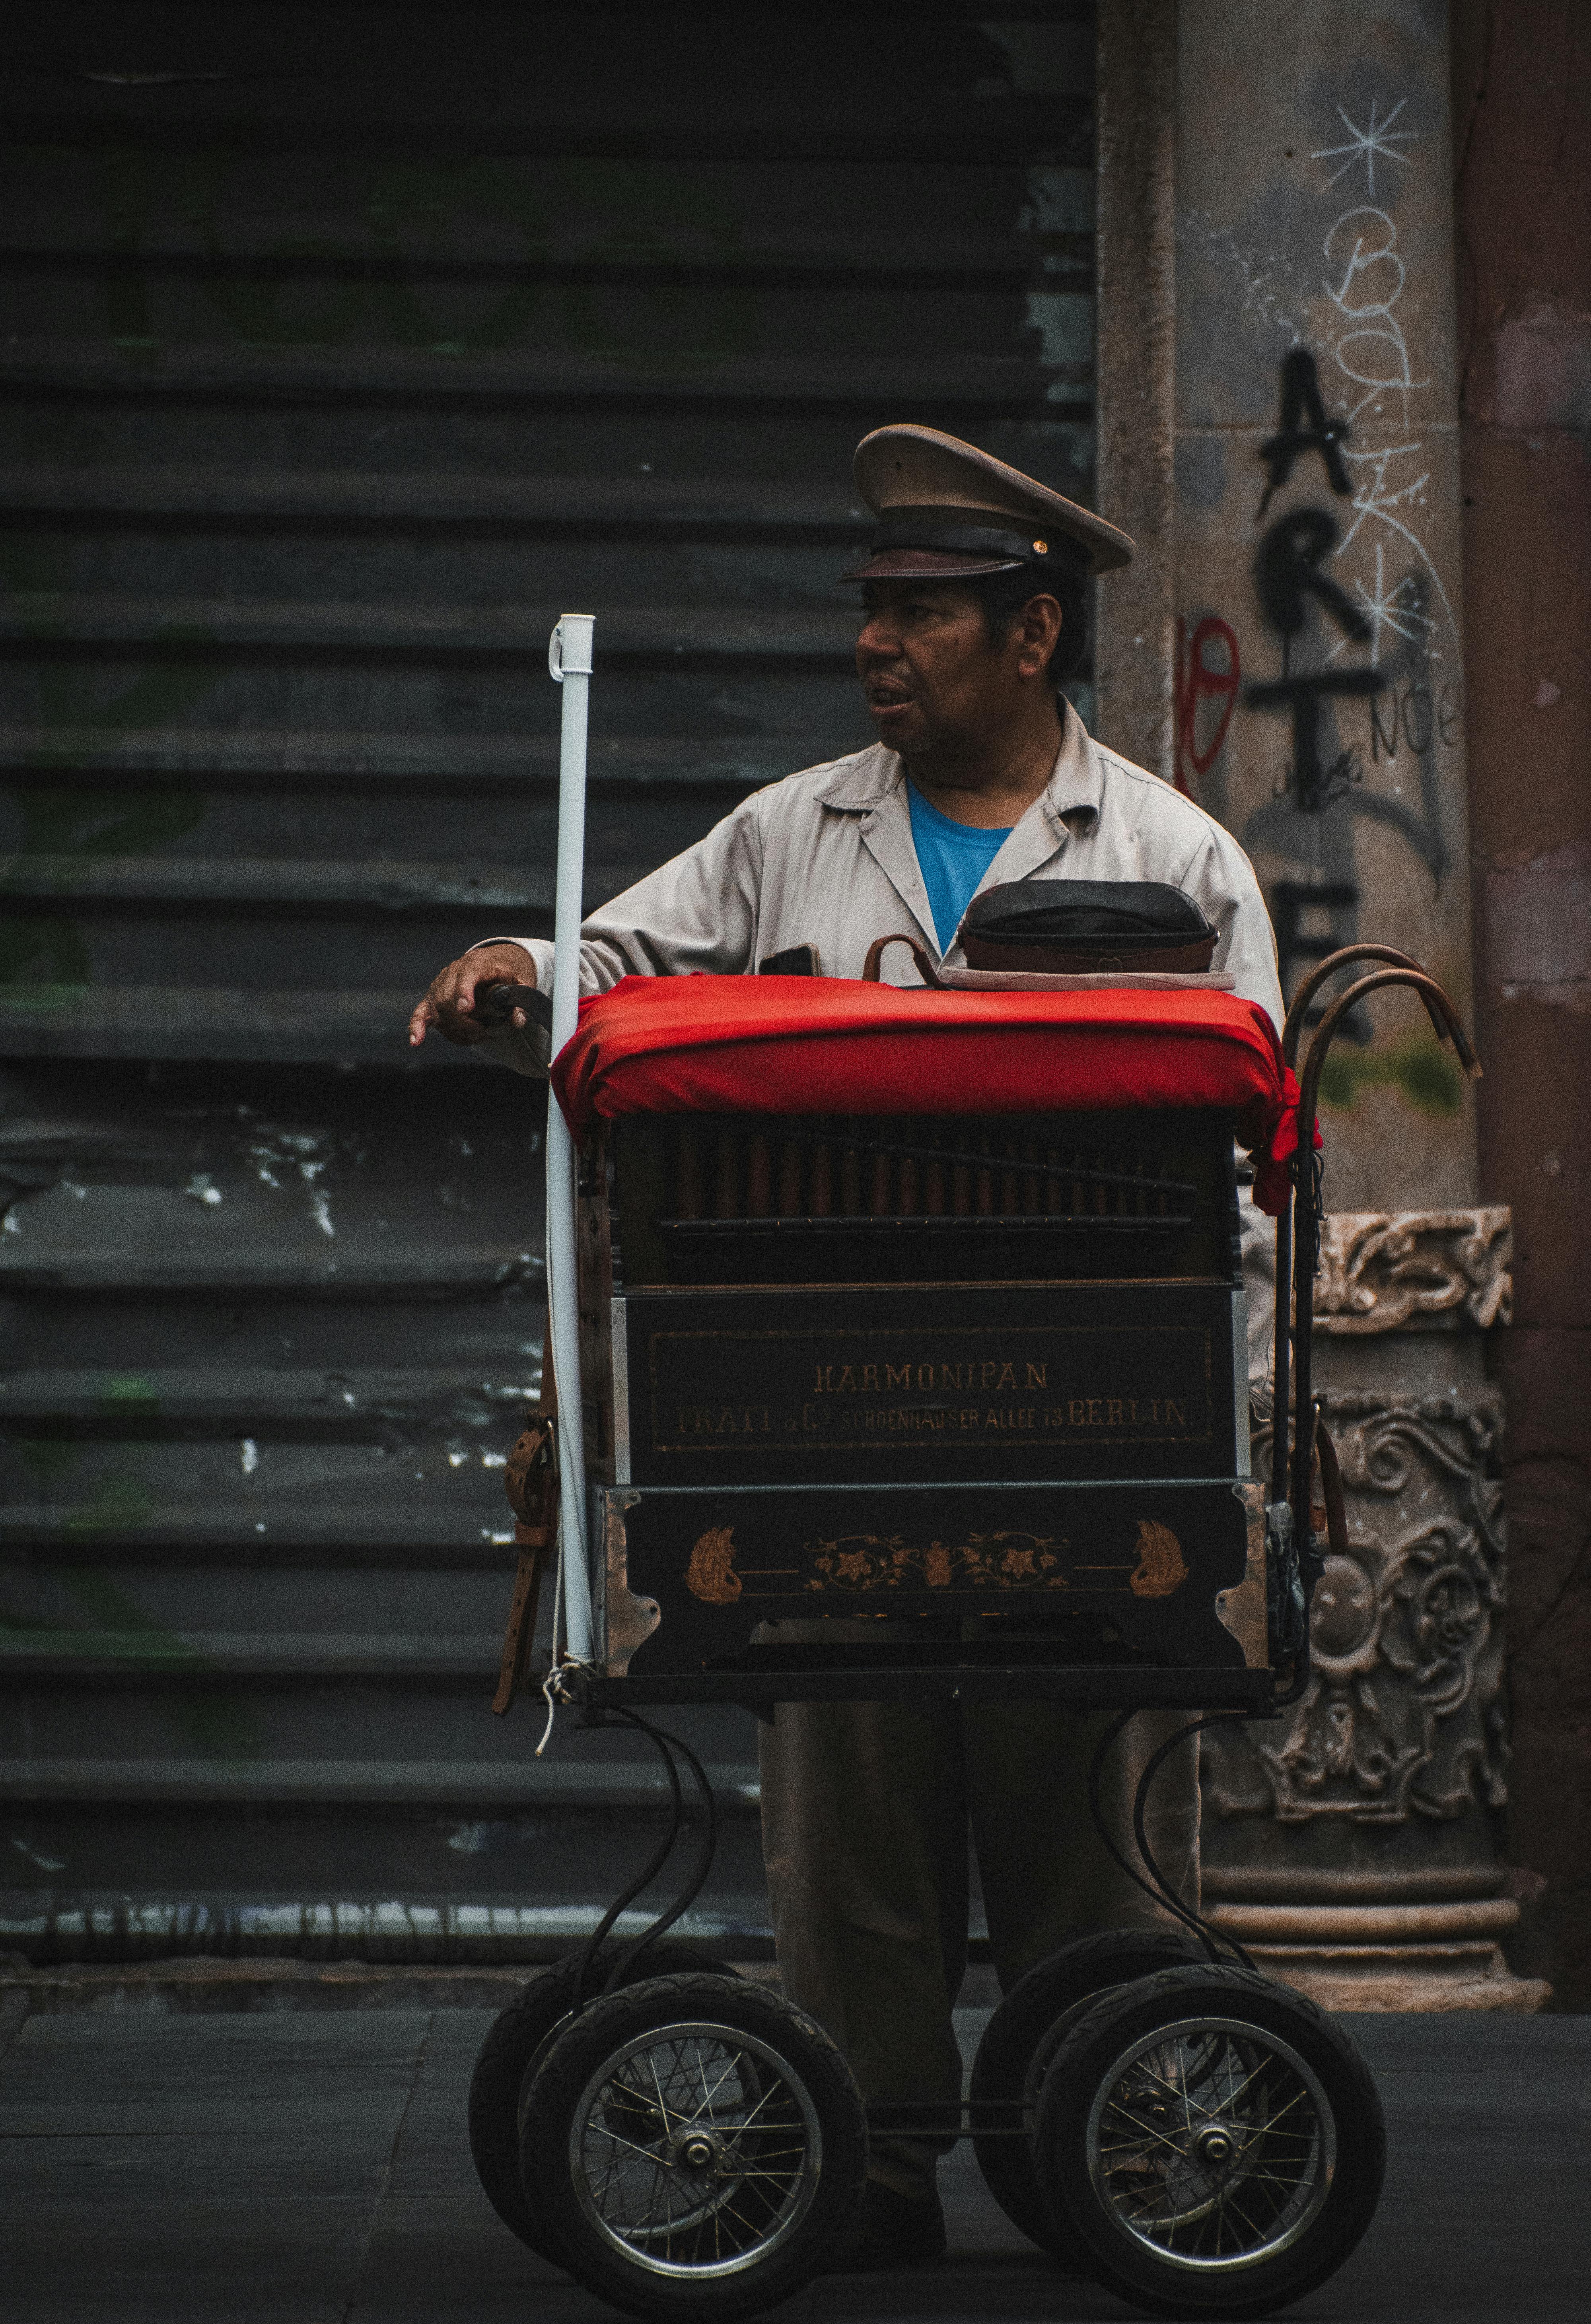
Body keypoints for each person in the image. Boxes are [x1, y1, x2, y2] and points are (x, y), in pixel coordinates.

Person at [411, 426, 1284, 2268]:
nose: (877, 645)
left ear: (1031, 632)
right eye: (871, 613)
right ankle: (874, 2165)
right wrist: (514, 964)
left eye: (923, 614)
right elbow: (612, 974)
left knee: (1083, 1838)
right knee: (850, 1828)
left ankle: (1106, 2149)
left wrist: (1234, 1457)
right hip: (829, 1437)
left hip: (1088, 1449)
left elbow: (1250, 1187)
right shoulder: (789, 829)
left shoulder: (1168, 852)